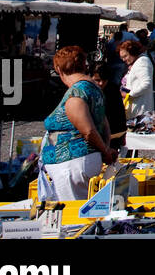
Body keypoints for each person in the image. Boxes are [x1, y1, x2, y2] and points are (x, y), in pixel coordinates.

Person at [39, 46, 118, 201]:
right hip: (81, 161)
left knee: (74, 212)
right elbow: (104, 123)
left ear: (58, 69)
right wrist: (106, 148)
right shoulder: (94, 89)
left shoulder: (76, 94)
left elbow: (88, 130)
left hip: (71, 163)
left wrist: (105, 151)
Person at [91, 62, 127, 148]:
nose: (101, 83)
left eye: (104, 80)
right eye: (97, 80)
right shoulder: (87, 91)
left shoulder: (113, 89)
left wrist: (123, 134)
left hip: (113, 134)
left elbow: (120, 112)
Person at [119, 40, 155, 118]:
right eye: (122, 57)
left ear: (133, 53)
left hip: (140, 107)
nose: (123, 60)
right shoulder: (136, 62)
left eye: (125, 56)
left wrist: (129, 94)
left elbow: (146, 84)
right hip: (134, 106)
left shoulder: (142, 62)